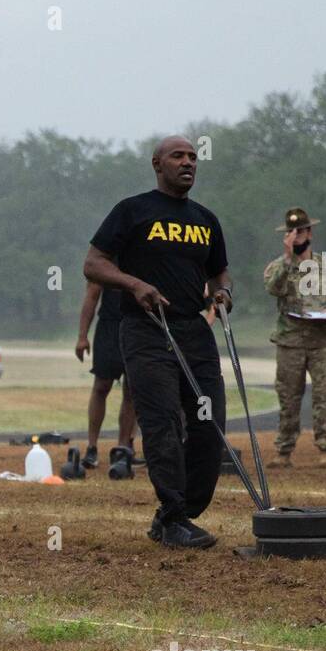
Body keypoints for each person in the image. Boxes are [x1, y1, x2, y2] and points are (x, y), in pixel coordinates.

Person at [83, 136, 233, 549]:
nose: (188, 163)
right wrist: (134, 284)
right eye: (178, 157)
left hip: (193, 331)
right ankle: (172, 515)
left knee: (209, 424)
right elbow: (92, 264)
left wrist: (223, 294)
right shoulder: (132, 211)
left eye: (193, 158)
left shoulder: (206, 219)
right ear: (157, 164)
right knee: (162, 420)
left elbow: (220, 273)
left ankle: (182, 513)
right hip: (146, 329)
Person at [263, 208, 326, 468]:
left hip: (319, 342)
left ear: (310, 233)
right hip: (289, 341)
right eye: (291, 232)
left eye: (301, 231)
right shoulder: (278, 266)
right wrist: (288, 258)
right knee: (288, 397)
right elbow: (273, 288)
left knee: (323, 396)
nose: (297, 236)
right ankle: (284, 451)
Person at [74, 280, 138, 467]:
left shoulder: (144, 252)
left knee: (132, 390)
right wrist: (82, 336)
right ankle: (92, 447)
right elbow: (92, 295)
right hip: (109, 326)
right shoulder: (106, 256)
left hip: (137, 324)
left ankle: (123, 448)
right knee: (102, 386)